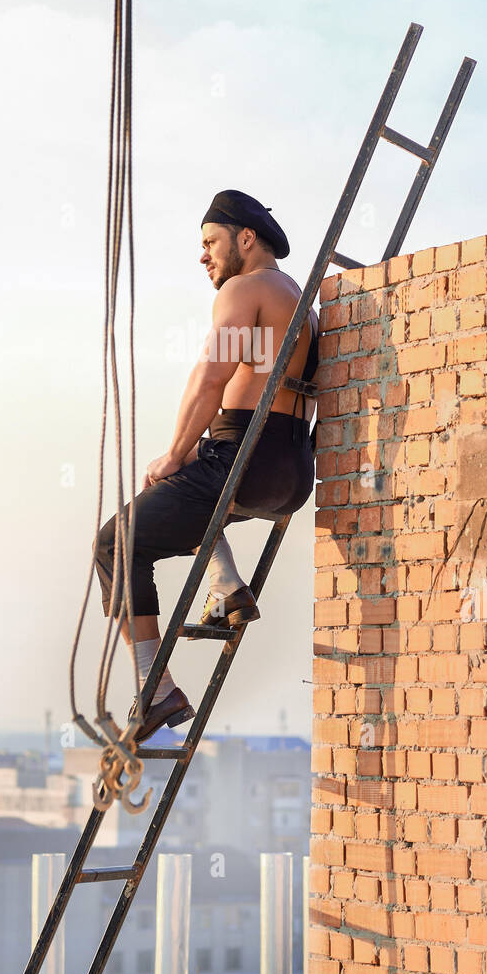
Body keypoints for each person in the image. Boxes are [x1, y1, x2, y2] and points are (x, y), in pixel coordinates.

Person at [93, 189, 318, 743]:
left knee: (115, 543)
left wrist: (173, 451)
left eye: (210, 242)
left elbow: (210, 378)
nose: (203, 256)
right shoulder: (302, 303)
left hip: (243, 459)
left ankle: (155, 687)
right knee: (183, 488)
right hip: (290, 471)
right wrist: (182, 459)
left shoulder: (247, 289)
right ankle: (226, 586)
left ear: (246, 238)